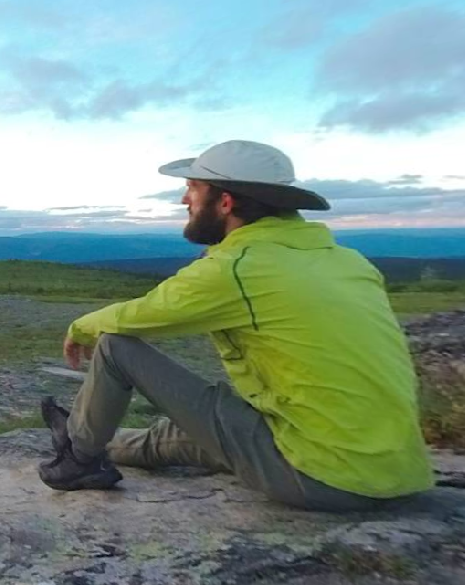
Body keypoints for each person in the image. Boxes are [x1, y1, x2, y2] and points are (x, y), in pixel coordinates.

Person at [38, 140, 434, 511]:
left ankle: (79, 460)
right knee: (185, 438)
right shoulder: (349, 261)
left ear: (224, 202)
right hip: (395, 473)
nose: (183, 199)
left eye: (192, 188)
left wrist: (80, 328)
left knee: (115, 347)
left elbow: (138, 316)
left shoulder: (237, 268)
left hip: (320, 475)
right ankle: (85, 439)